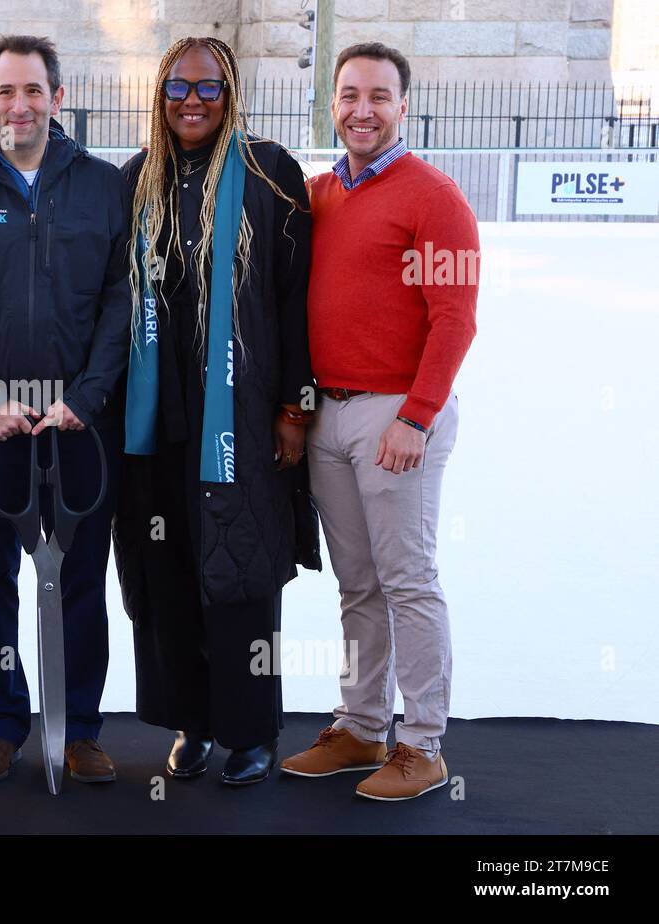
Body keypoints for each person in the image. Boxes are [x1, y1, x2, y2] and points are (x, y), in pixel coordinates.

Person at [0, 35, 131, 783]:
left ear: (57, 99)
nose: (20, 104)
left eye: (34, 90)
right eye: (6, 91)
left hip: (81, 425)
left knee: (80, 578)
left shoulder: (106, 188)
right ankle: (1, 724)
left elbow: (120, 302)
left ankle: (77, 730)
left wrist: (87, 397)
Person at [111, 37, 320, 787]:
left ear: (230, 93)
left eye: (208, 88)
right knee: (165, 572)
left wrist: (297, 405)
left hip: (241, 410)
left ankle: (251, 729)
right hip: (156, 419)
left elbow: (299, 298)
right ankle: (192, 723)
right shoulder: (137, 180)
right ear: (158, 95)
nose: (192, 102)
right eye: (176, 88)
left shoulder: (269, 172)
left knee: (240, 573)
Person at [279, 42, 479, 801]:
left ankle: (423, 744)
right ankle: (363, 727)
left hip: (397, 414)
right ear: (333, 103)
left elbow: (455, 319)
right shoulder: (320, 193)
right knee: (358, 586)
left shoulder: (436, 196)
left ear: (404, 106)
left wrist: (417, 418)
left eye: (379, 96)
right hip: (330, 413)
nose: (363, 109)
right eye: (349, 94)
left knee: (409, 582)